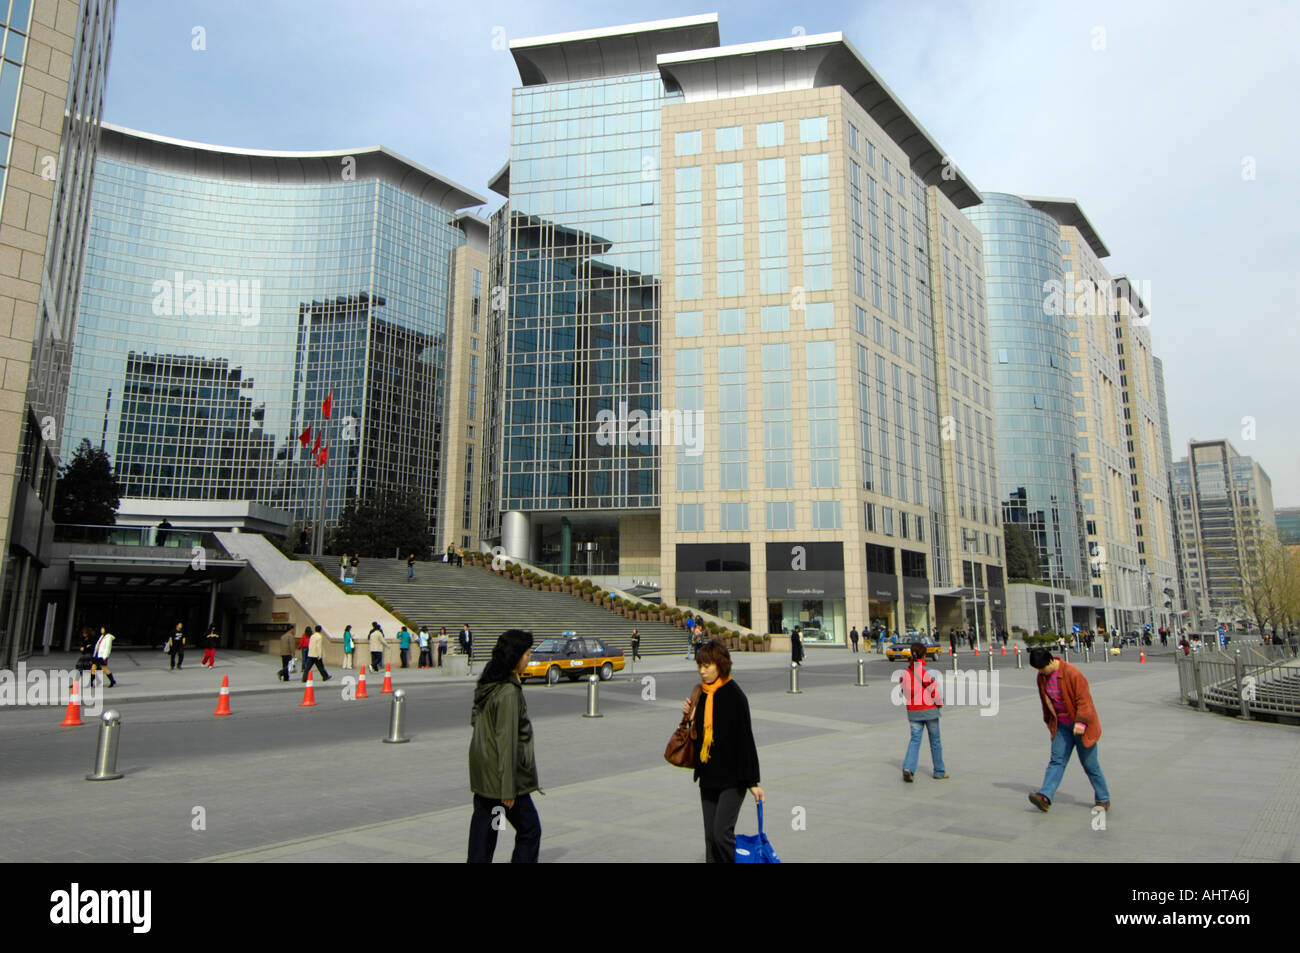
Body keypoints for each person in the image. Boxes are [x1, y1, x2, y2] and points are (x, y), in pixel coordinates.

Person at [681, 639, 763, 863]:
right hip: (708, 776)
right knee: (710, 838)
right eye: (700, 666)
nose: (702, 671)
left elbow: (745, 740)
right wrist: (690, 716)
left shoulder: (735, 695)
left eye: (707, 666)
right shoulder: (701, 693)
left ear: (720, 665)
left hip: (732, 779)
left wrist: (753, 782)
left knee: (721, 834)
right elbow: (699, 736)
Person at [467, 629, 542, 863]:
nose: (529, 658)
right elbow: (507, 740)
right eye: (527, 654)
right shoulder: (509, 692)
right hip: (503, 779)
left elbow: (476, 721)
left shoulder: (489, 683)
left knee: (487, 830)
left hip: (484, 772)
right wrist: (508, 788)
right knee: (530, 829)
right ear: (515, 657)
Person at [1026, 647, 1109, 814]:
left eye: (1043, 668)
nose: (1041, 672)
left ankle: (1103, 798)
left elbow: (1084, 700)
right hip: (1062, 727)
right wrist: (1049, 721)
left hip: (1082, 727)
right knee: (1056, 761)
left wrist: (1081, 722)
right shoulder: (1042, 677)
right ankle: (1044, 796)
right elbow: (1045, 703)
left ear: (1051, 661)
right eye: (1038, 670)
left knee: (1090, 765)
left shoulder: (1072, 673)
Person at [900, 642, 947, 782]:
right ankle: (939, 771)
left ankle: (908, 767)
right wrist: (939, 703)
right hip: (930, 710)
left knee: (915, 740)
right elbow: (935, 691)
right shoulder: (929, 672)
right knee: (935, 741)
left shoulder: (906, 673)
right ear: (924, 655)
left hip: (914, 711)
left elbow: (905, 692)